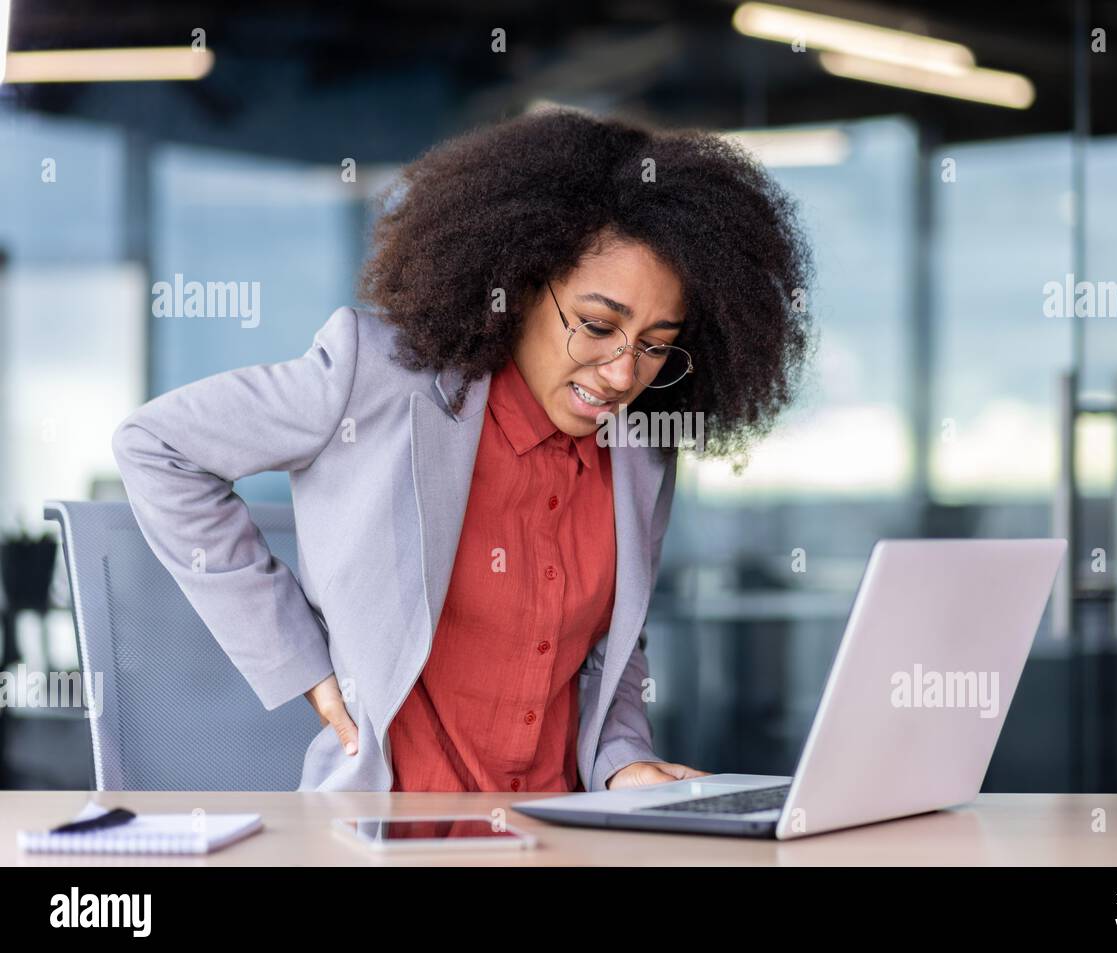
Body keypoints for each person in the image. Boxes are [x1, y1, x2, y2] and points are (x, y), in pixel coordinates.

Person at [111, 108, 815, 792]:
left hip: (558, 837)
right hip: (392, 839)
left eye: (657, 345)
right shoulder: (375, 378)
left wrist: (622, 759)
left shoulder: (638, 451)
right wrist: (299, 660)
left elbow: (615, 645)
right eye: (598, 326)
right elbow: (158, 445)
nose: (624, 372)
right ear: (524, 281)